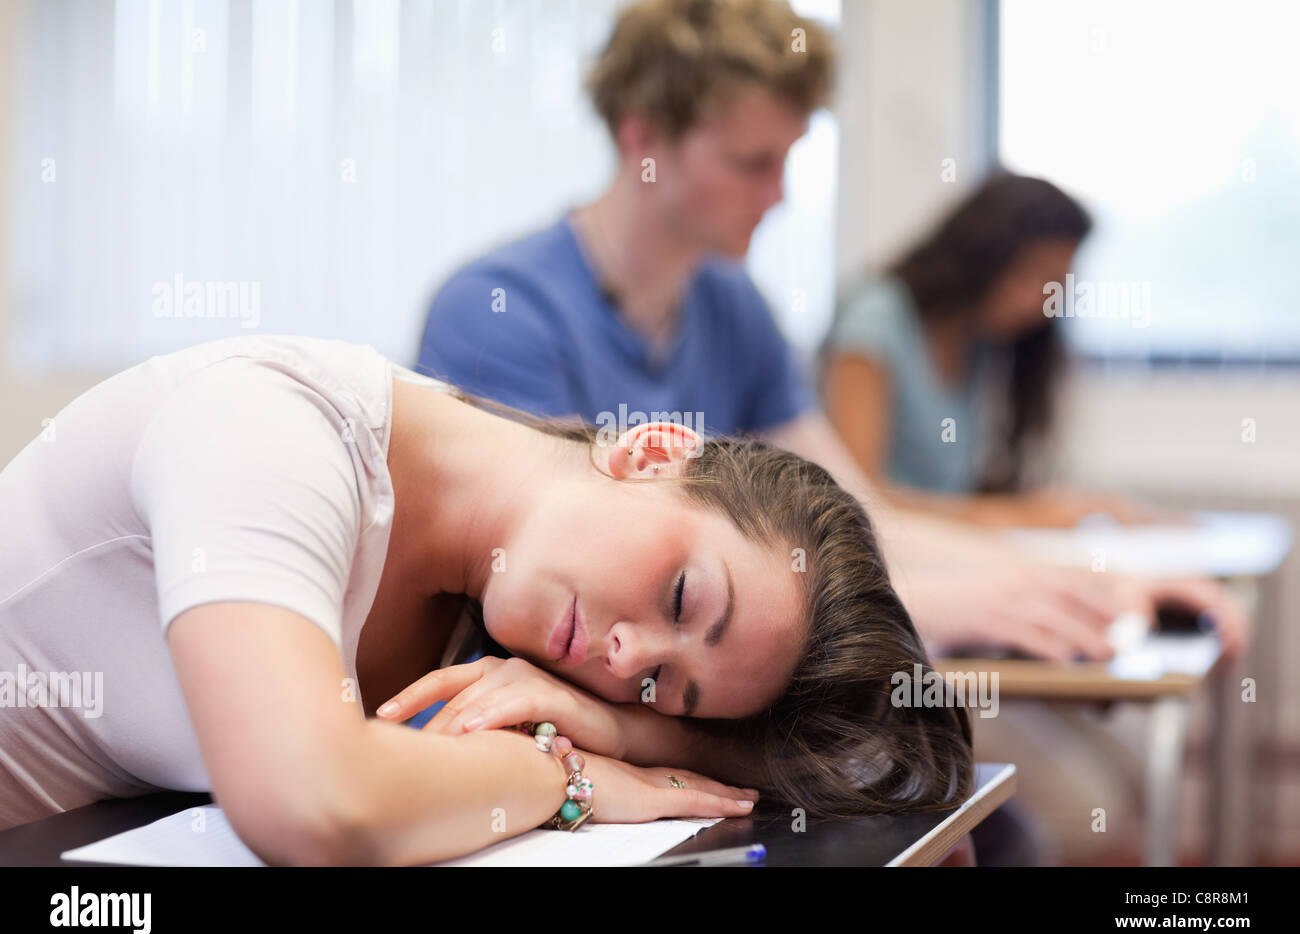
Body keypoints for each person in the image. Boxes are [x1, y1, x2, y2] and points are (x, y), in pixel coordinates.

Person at [414, 0, 1247, 865]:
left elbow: (857, 514)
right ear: (644, 142)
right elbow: (559, 644)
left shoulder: (730, 307)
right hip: (563, 770)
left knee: (985, 834)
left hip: (689, 740)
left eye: (788, 162)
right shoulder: (502, 313)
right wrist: (948, 605)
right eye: (753, 162)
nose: (778, 195)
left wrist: (1072, 581)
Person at [0, 333, 973, 863]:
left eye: (663, 687)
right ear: (653, 449)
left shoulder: (491, 592)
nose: (630, 659)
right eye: (682, 597)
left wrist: (618, 727)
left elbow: (861, 758)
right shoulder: (272, 435)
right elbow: (311, 802)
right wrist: (570, 780)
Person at [821, 171, 1165, 528]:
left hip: (945, 550)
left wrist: (1083, 509)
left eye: (1055, 288)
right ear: (984, 253)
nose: (1039, 303)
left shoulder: (981, 342)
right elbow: (856, 499)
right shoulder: (875, 320)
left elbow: (955, 493)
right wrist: (1017, 515)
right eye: (1034, 276)